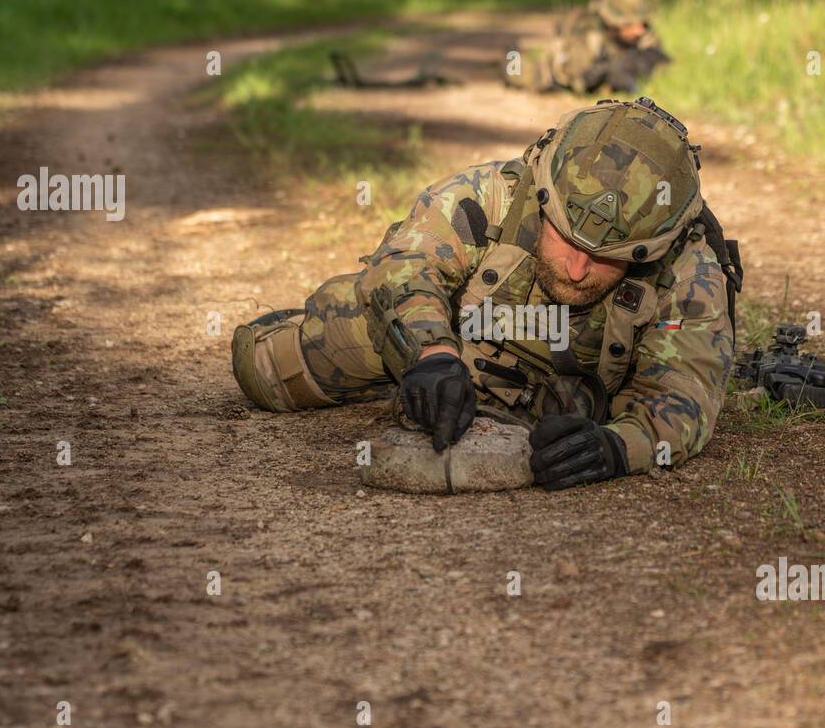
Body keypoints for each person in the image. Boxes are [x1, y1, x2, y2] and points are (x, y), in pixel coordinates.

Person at [231, 97, 740, 490]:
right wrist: (429, 353)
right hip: (451, 338)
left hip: (565, 389)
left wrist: (615, 448)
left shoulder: (689, 269)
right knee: (269, 370)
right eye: (565, 237)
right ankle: (414, 371)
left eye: (611, 256)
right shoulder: (490, 193)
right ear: (541, 197)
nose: (578, 268)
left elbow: (683, 396)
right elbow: (405, 266)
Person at [508, 0, 671, 95]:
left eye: (642, 23)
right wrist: (606, 74)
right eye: (631, 24)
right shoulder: (590, 36)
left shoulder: (642, 34)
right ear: (613, 24)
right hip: (557, 72)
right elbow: (578, 79)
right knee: (527, 74)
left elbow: (659, 59)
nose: (639, 30)